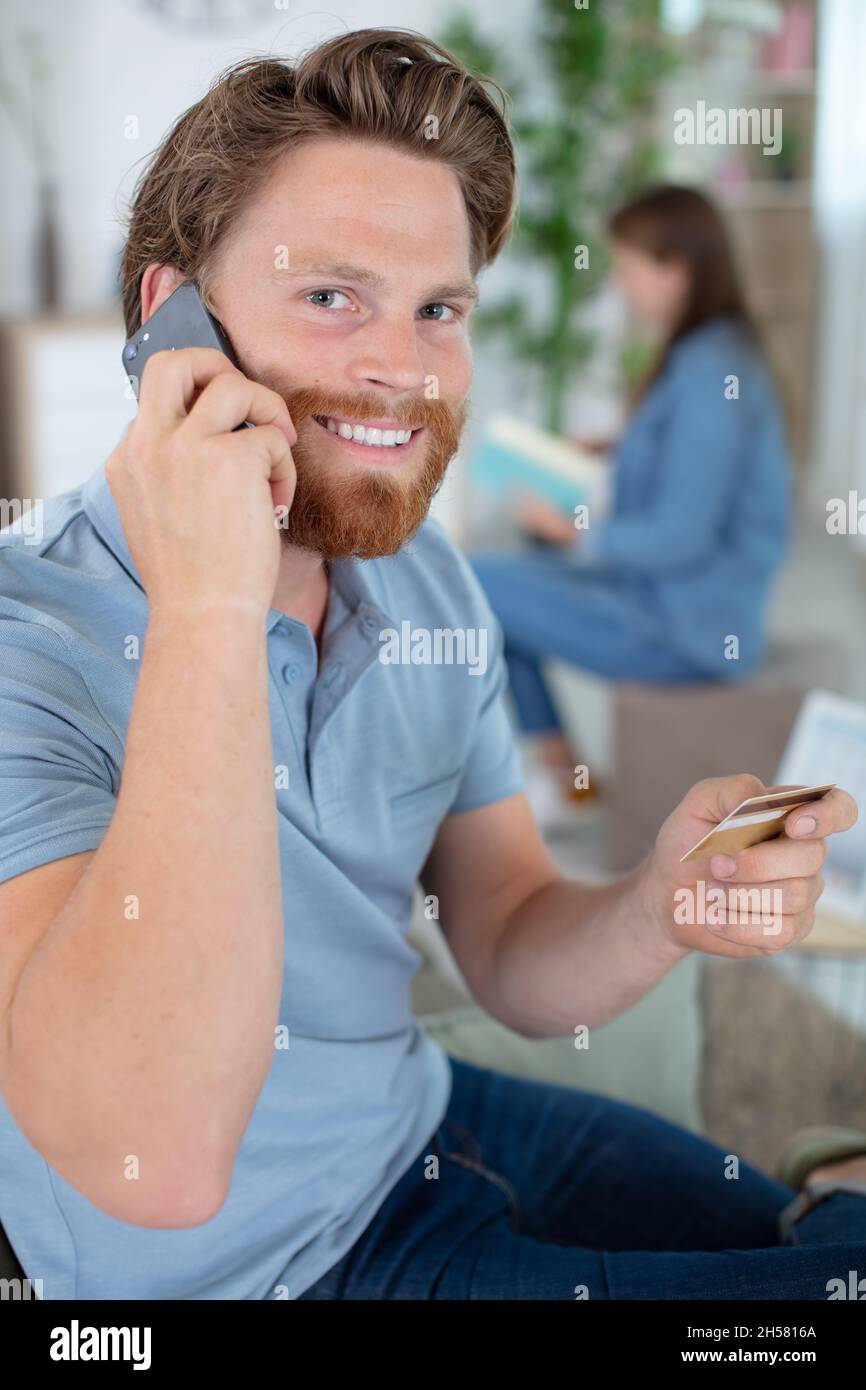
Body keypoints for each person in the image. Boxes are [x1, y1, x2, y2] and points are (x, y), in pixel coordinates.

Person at [0, 30, 861, 1303]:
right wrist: (208, 605)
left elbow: (506, 933)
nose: (401, 370)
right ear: (170, 319)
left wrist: (651, 906)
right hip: (272, 1270)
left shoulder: (423, 584)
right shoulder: (32, 646)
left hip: (425, 1126)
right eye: (329, 295)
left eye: (437, 310)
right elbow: (160, 1164)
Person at [471, 185, 793, 826]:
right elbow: (693, 461)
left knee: (477, 583)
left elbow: (680, 536)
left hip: (683, 623)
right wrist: (609, 445)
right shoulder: (714, 353)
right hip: (675, 598)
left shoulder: (707, 373)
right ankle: (567, 779)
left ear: (676, 271)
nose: (619, 285)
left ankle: (561, 779)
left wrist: (570, 532)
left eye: (626, 268)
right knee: (489, 583)